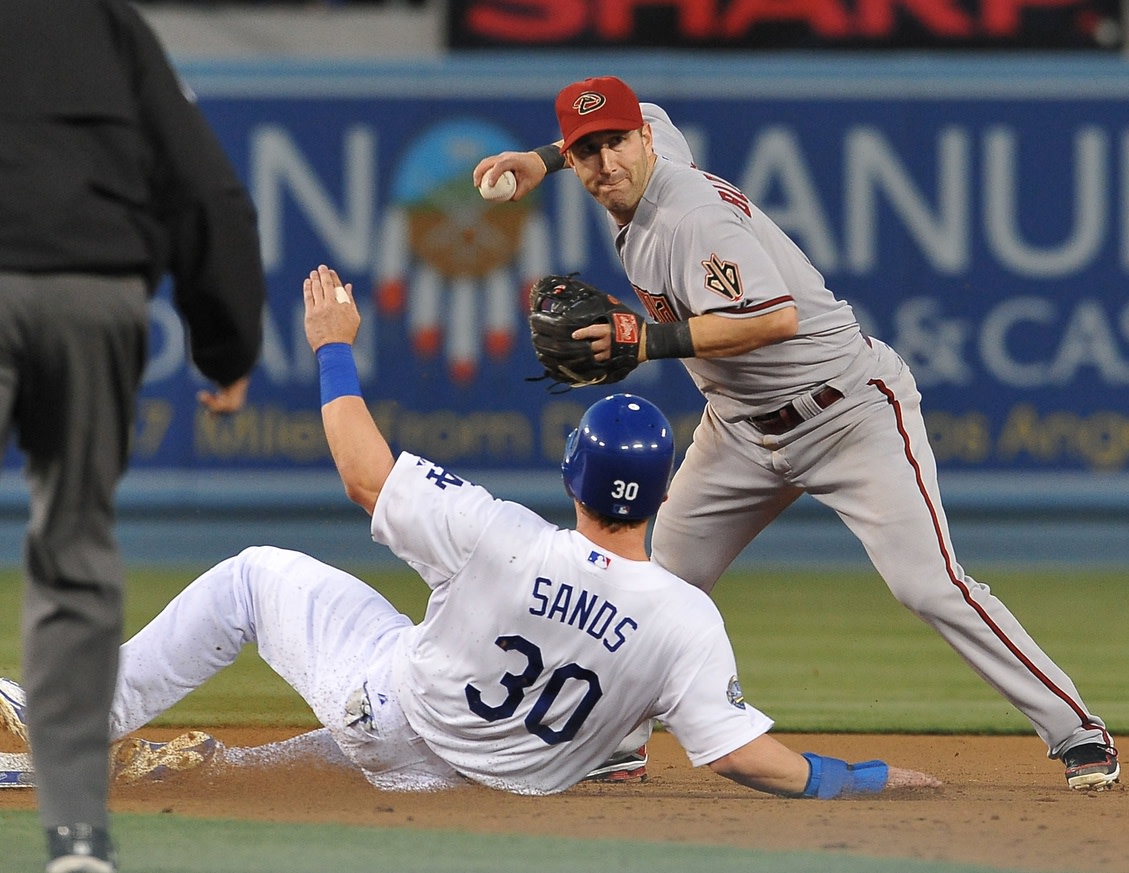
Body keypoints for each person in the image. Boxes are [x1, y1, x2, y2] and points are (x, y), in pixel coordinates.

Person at [1, 264, 941, 802]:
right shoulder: (683, 618)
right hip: (482, 792)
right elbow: (744, 755)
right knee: (574, 721)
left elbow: (362, 471)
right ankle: (209, 760)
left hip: (392, 719)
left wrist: (332, 344)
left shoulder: (501, 536)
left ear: (575, 473)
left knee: (254, 577)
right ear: (661, 494)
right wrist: (860, 777)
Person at [472, 76, 1119, 791]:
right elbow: (646, 108)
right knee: (656, 583)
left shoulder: (691, 217)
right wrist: (541, 158)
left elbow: (773, 318)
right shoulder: (645, 157)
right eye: (585, 151)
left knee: (928, 585)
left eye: (615, 143)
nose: (604, 163)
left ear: (644, 144)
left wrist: (647, 342)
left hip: (846, 414)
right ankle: (618, 742)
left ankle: (1075, 728)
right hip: (740, 433)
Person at [0, 1, 266, 869]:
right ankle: (78, 839)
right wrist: (226, 343)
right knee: (73, 558)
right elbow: (207, 190)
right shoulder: (106, 24)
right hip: (93, 294)